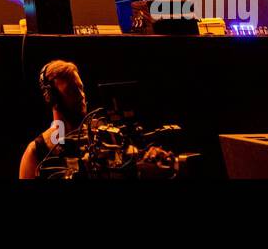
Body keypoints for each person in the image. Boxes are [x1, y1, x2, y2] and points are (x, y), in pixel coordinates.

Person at [18, 60, 173, 178]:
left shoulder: (106, 137)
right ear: (51, 97)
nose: (81, 95)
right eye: (72, 90)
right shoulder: (37, 151)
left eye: (81, 88)